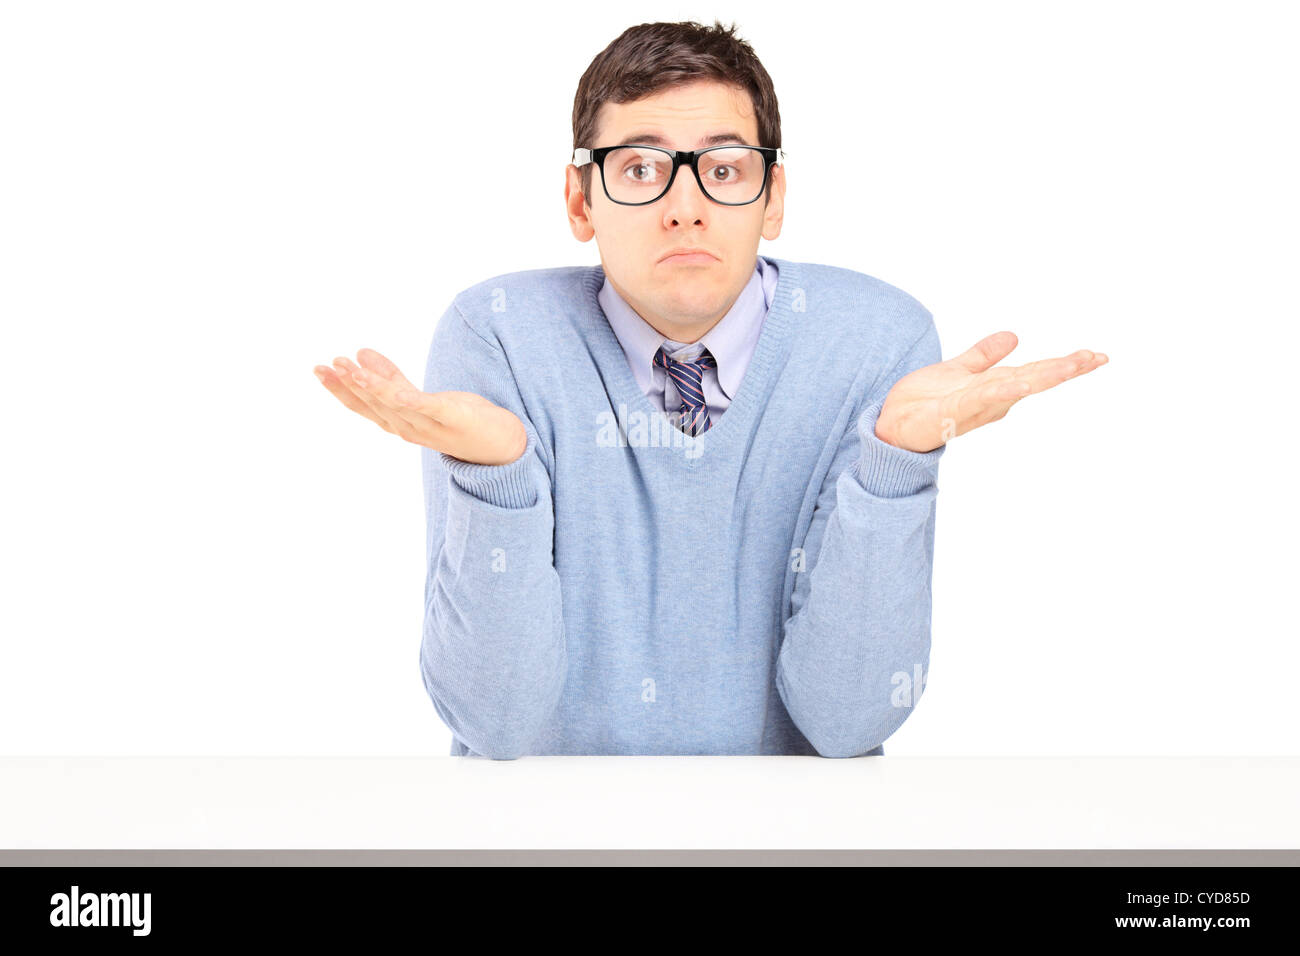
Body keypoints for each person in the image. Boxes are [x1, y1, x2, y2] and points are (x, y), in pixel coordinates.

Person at [312, 20, 1107, 759]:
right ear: (579, 201)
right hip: (551, 839)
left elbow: (848, 722)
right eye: (640, 169)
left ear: (775, 198)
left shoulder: (877, 340)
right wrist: (499, 475)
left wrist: (894, 461)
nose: (684, 208)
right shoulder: (499, 336)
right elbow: (496, 722)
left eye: (724, 169)